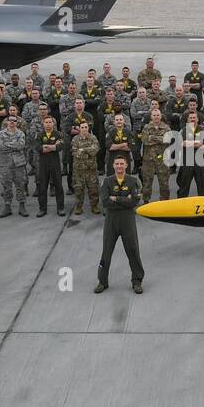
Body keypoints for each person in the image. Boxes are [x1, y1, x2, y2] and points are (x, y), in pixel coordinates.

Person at [96, 156, 145, 294]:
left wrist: (116, 198)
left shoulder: (133, 181)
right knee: (106, 251)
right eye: (117, 164)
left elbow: (134, 201)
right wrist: (125, 199)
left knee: (133, 250)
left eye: (121, 164)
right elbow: (105, 202)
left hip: (127, 220)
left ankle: (137, 281)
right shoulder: (106, 181)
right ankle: (102, 281)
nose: (119, 166)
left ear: (126, 165)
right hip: (111, 220)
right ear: (113, 165)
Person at [33, 115, 66, 217]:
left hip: (55, 163)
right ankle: (42, 209)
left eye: (50, 122)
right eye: (46, 122)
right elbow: (38, 147)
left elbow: (60, 147)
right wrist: (53, 146)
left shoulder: (58, 134)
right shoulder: (39, 134)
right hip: (43, 164)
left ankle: (60, 208)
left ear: (53, 123)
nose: (48, 124)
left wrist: (47, 146)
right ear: (43, 124)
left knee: (58, 186)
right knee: (42, 187)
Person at [70, 122, 101, 214]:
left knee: (93, 189)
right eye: (82, 127)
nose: (84, 129)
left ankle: (94, 206)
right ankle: (79, 207)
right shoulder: (75, 139)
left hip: (91, 169)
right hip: (79, 170)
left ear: (88, 128)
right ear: (79, 128)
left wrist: (83, 150)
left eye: (85, 127)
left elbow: (95, 150)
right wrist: (88, 150)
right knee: (78, 189)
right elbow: (74, 152)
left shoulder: (93, 138)